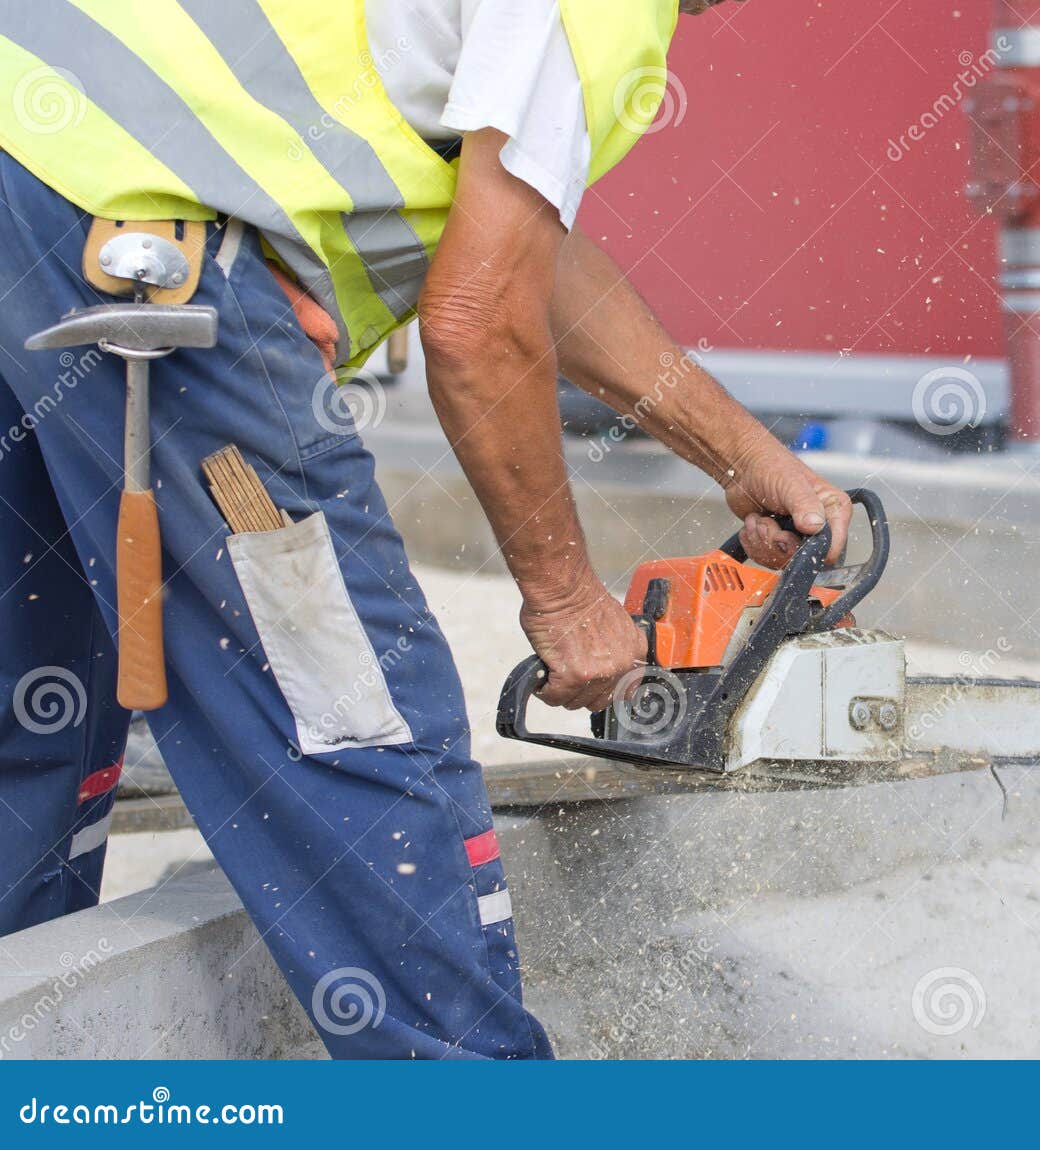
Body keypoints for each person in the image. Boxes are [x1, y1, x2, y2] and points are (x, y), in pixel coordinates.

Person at [0, 0, 847, 1058]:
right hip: (145, 242)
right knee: (354, 712)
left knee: (35, 687)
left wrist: (737, 450)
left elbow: (522, 255)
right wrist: (568, 601)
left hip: (32, 162)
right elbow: (476, 323)